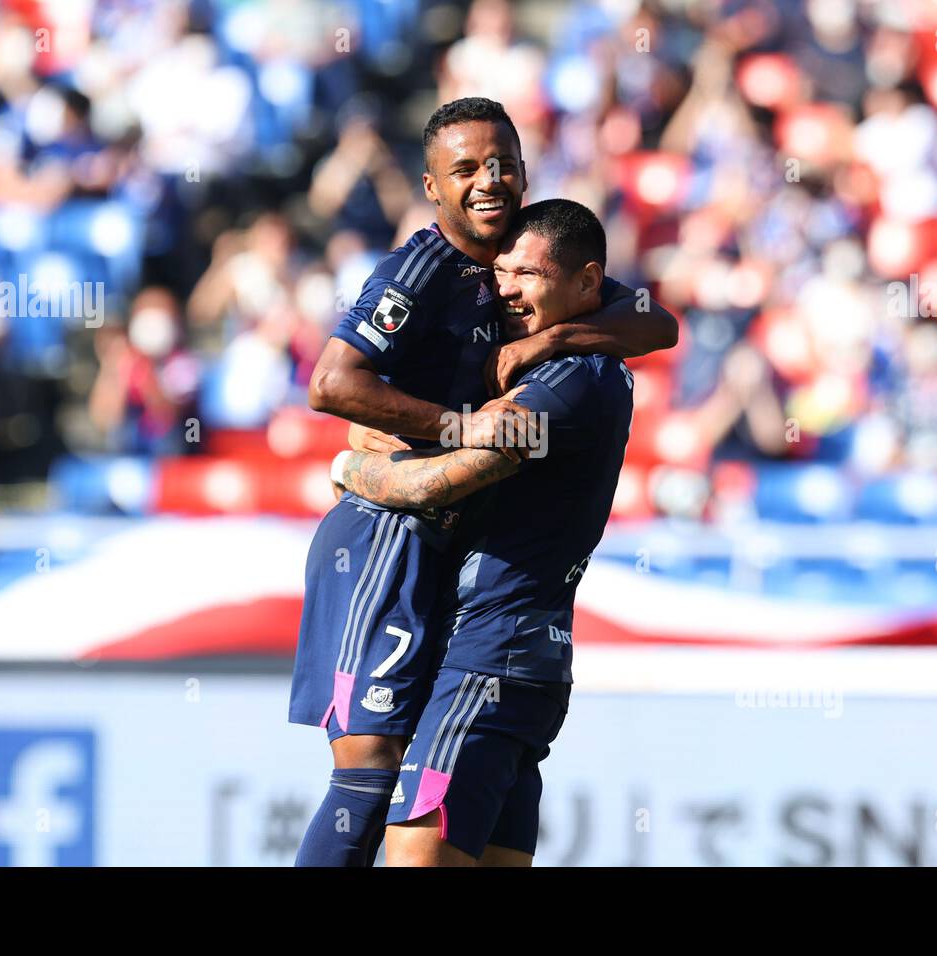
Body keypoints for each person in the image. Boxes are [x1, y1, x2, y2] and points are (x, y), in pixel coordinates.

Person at [289, 98, 677, 867]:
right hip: (389, 531)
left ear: (524, 173)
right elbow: (331, 385)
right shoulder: (423, 269)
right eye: (465, 169)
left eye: (500, 164)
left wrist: (561, 334)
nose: (487, 182)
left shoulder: (536, 261)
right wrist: (450, 427)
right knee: (371, 770)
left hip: (456, 550)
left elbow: (657, 324)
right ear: (433, 188)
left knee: (420, 771)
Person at [333, 199, 633, 866]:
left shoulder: (566, 382)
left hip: (486, 659)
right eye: (502, 272)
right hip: (528, 665)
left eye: (528, 274)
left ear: (588, 283)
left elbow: (448, 479)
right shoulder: (586, 362)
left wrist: (353, 463)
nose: (507, 289)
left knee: (414, 856)